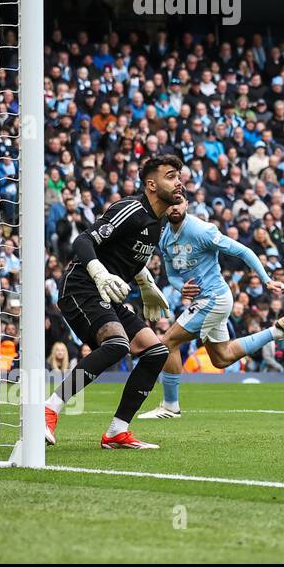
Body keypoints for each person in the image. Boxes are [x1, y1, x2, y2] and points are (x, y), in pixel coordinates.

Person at [44, 155, 184, 449]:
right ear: (151, 184)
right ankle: (48, 410)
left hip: (107, 293)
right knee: (118, 344)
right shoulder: (131, 208)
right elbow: (83, 241)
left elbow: (127, 257)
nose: (179, 181)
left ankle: (117, 432)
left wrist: (145, 283)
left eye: (179, 175)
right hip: (82, 287)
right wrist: (98, 272)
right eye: (171, 176)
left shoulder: (157, 223)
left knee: (156, 351)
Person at [139, 196, 284, 419]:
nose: (174, 207)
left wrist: (267, 280)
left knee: (168, 342)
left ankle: (170, 405)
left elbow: (243, 251)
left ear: (187, 204)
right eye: (170, 203)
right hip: (206, 300)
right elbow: (171, 275)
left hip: (214, 298)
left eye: (178, 202)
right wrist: (182, 288)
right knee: (222, 358)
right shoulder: (165, 238)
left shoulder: (202, 230)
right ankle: (276, 331)